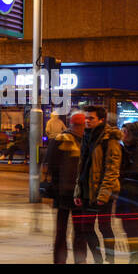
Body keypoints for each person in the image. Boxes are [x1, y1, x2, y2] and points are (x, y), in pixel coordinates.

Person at [73, 106, 122, 263]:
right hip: (87, 190)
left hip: (103, 191)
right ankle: (98, 259)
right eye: (86, 118)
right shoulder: (87, 136)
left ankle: (110, 259)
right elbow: (82, 167)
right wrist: (78, 192)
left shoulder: (110, 139)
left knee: (104, 227)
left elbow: (112, 169)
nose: (87, 121)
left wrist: (104, 194)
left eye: (91, 118)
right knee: (86, 228)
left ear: (101, 120)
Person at [41, 112, 83, 263]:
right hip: (68, 193)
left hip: (68, 193)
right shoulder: (65, 139)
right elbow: (51, 166)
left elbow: (49, 165)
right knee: (72, 231)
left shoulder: (77, 140)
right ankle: (73, 261)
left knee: (67, 231)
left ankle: (64, 261)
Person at [117, 122, 138, 263]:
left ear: (133, 135)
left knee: (134, 227)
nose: (122, 134)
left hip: (136, 196)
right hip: (126, 195)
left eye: (125, 132)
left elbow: (136, 172)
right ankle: (135, 254)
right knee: (128, 226)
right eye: (122, 131)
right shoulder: (125, 149)